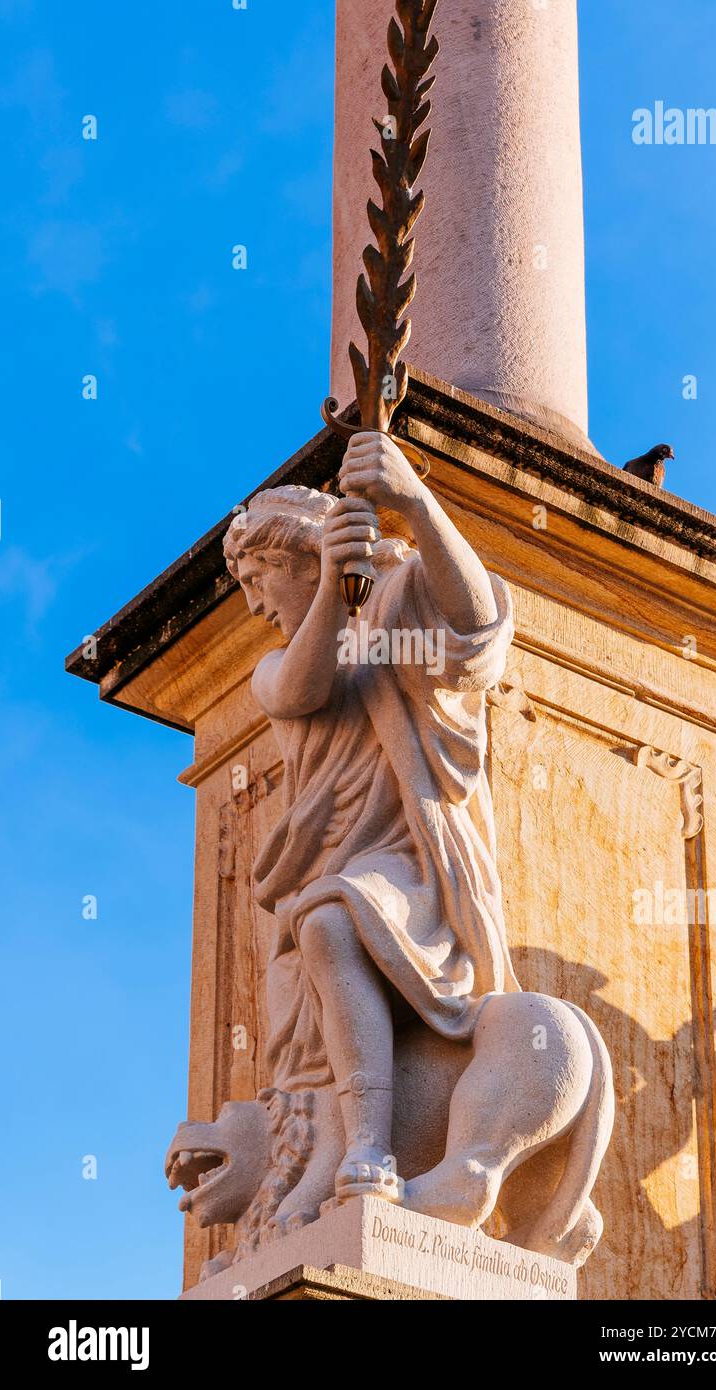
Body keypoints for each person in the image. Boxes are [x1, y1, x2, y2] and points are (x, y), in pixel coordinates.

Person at [223, 431, 518, 1205]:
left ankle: (369, 1150)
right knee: (320, 920)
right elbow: (301, 690)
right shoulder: (278, 664)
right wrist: (332, 586)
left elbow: (477, 629)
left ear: (296, 556)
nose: (254, 603)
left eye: (260, 577)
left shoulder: (400, 602)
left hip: (418, 861)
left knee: (327, 920)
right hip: (332, 864)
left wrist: (415, 502)